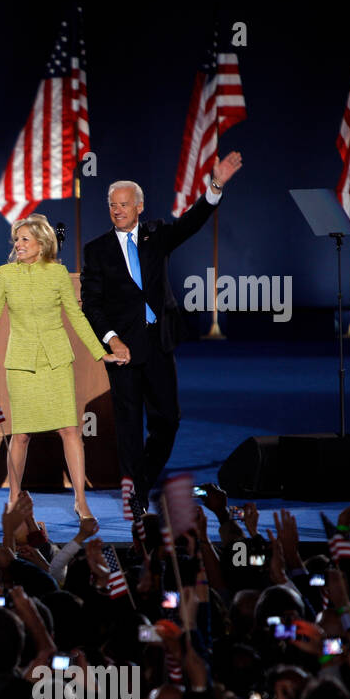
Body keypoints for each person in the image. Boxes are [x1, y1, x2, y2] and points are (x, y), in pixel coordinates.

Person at [79, 151, 243, 516]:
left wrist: (215, 186)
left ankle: (141, 482)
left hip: (159, 342)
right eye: (112, 205)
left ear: (139, 206)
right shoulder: (97, 250)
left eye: (124, 204)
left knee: (168, 420)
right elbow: (91, 303)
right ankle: (133, 495)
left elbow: (193, 221)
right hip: (122, 350)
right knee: (128, 425)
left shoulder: (157, 236)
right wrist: (111, 339)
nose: (117, 210)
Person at [0, 214, 118, 522]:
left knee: (70, 430)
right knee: (22, 433)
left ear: (42, 244)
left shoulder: (57, 274)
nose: (19, 244)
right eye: (17, 239)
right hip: (21, 364)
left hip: (56, 361)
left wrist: (100, 352)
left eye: (25, 239)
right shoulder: (5, 275)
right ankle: (14, 498)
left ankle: (80, 501)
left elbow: (76, 316)